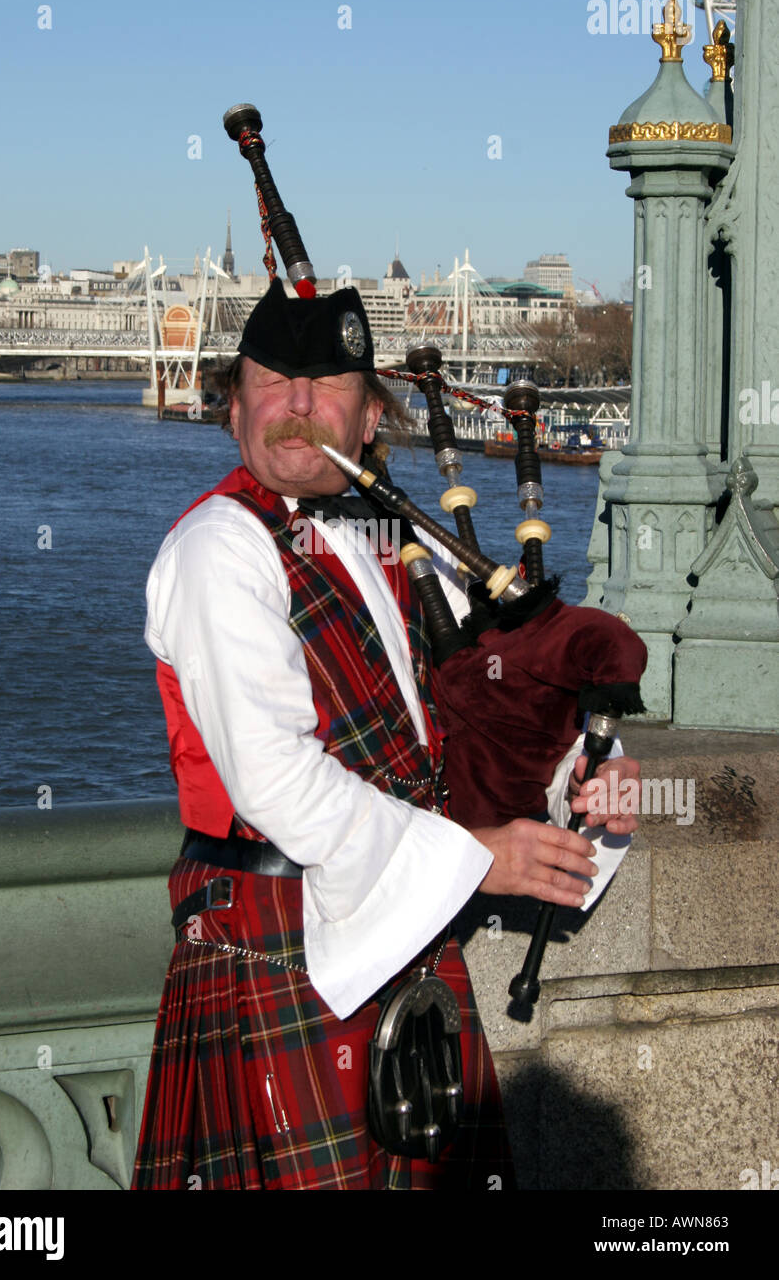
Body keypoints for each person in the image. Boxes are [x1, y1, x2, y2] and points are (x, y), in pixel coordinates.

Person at [132, 277, 639, 1191]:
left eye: (327, 386)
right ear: (235, 403)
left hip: (405, 943)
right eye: (271, 381)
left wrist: (580, 779)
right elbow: (279, 785)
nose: (296, 407)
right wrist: (478, 861)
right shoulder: (221, 548)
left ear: (370, 417)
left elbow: (483, 727)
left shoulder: (398, 545)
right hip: (268, 951)